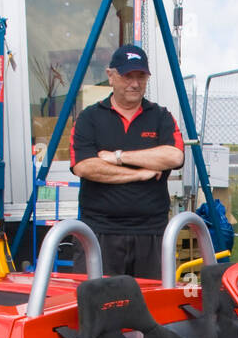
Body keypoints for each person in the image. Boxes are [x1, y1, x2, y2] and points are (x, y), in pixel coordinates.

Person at [70, 44, 185, 279]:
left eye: (141, 76)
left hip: (152, 235)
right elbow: (85, 167)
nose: (135, 83)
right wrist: (140, 173)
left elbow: (174, 156)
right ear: (111, 77)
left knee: (153, 310)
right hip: (99, 233)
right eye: (127, 76)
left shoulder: (161, 116)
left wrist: (118, 157)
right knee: (98, 309)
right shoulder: (89, 118)